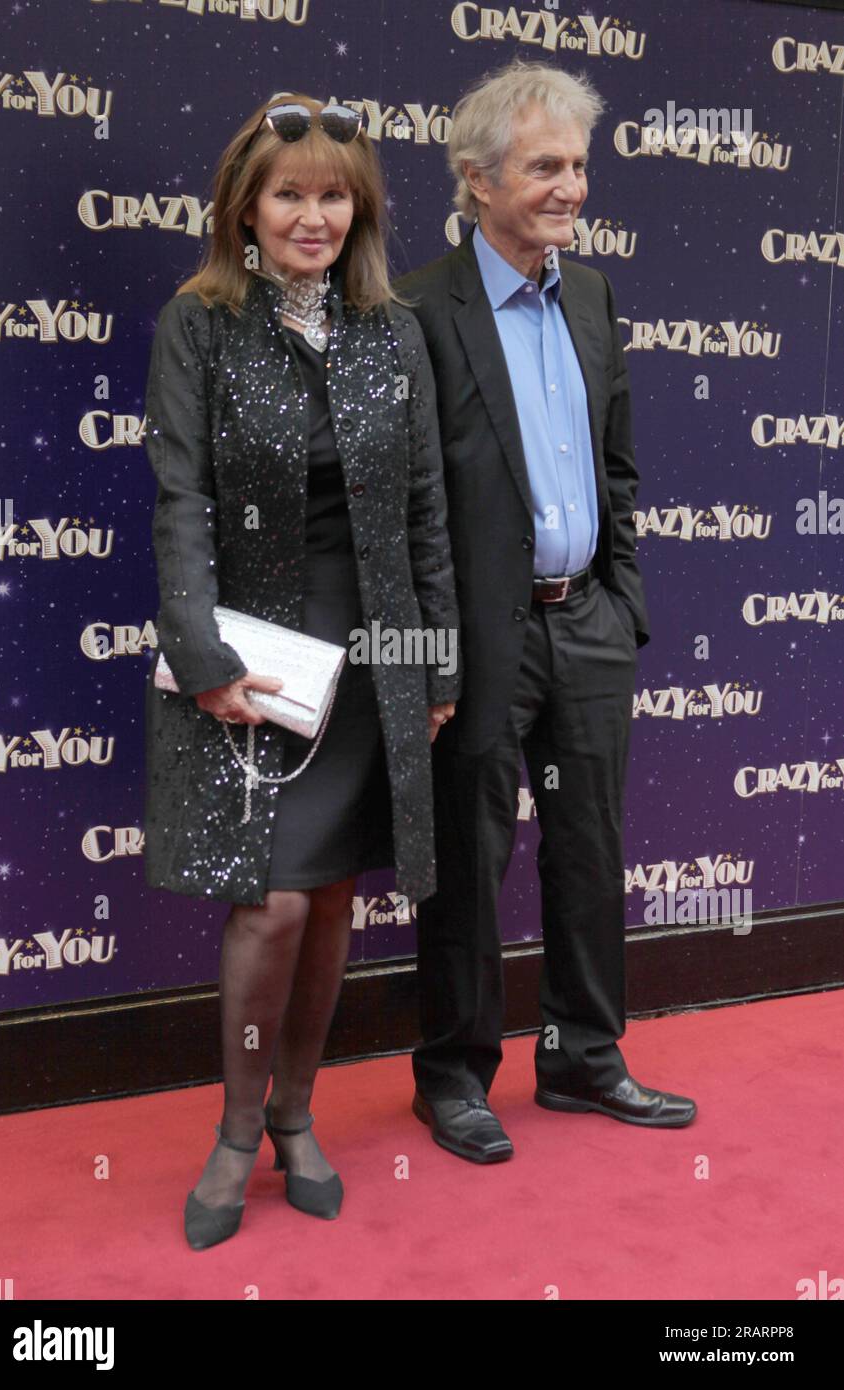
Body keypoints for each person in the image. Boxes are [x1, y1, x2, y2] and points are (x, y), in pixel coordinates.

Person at [142, 92, 460, 1247]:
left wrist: (432, 666)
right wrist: (202, 652)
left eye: (333, 195)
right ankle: (234, 1130)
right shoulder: (199, 324)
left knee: (329, 898)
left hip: (373, 651)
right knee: (267, 904)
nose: (312, 215)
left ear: (358, 209)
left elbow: (424, 511)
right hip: (256, 657)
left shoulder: (392, 329)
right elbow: (180, 497)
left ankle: (294, 1114)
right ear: (245, 208)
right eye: (290, 194)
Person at [393, 58, 696, 1164]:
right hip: (476, 636)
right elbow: (406, 500)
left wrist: (621, 604)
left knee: (586, 846)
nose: (569, 186)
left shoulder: (592, 292)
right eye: (543, 167)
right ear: (477, 181)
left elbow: (617, 471)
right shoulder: (419, 307)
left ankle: (579, 1058)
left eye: (576, 164)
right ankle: (452, 1076)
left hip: (587, 626)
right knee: (468, 860)